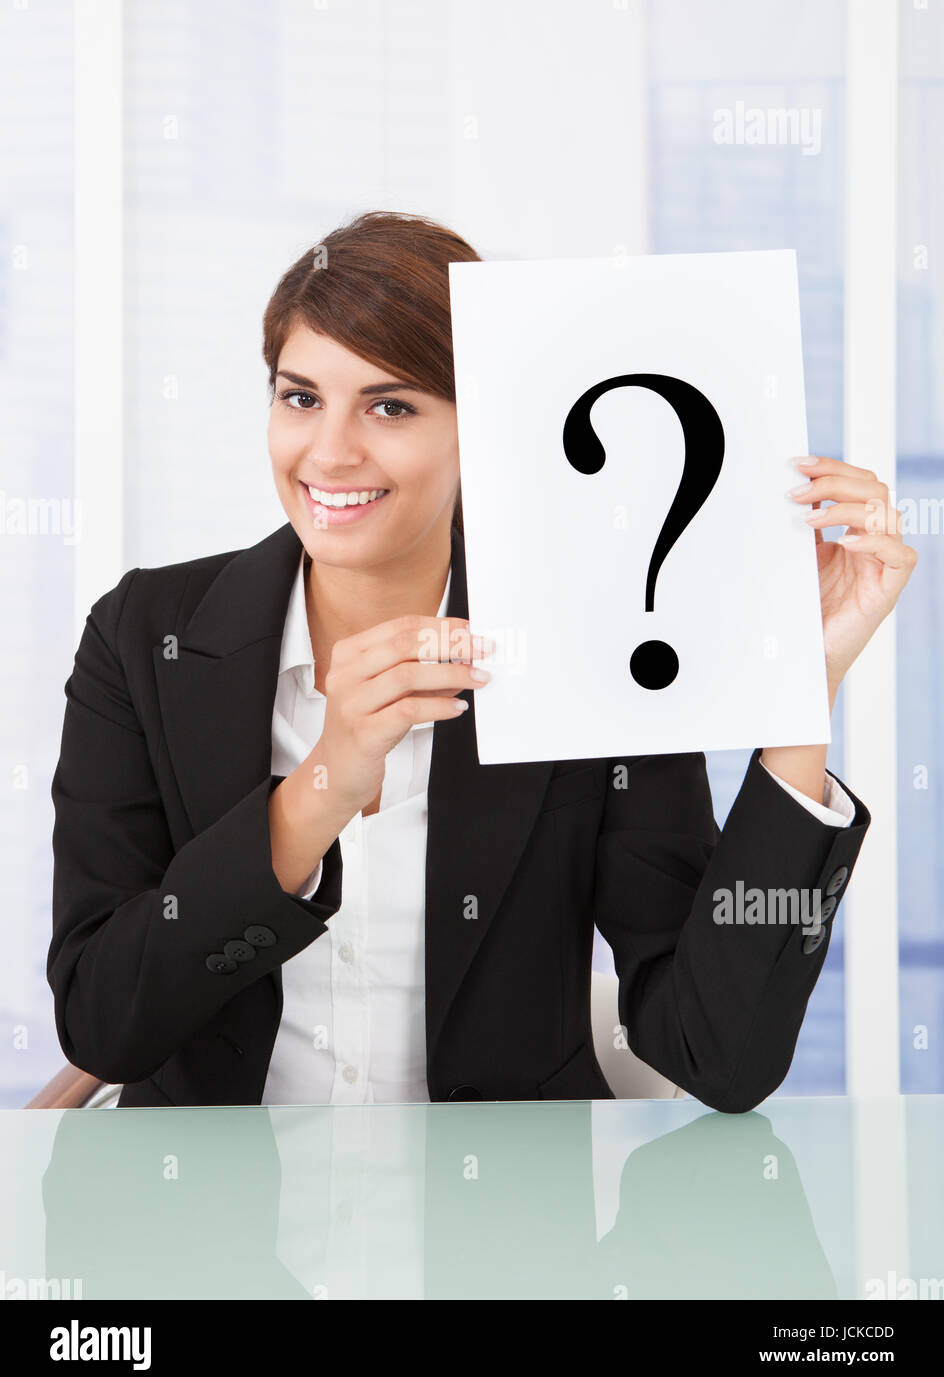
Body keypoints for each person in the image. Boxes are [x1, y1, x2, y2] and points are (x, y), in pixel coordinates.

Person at [47, 210, 916, 1110]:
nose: (329, 451)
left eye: (390, 406)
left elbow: (715, 1053)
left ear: (488, 430)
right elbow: (105, 1024)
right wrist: (321, 789)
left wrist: (798, 695)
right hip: (207, 1229)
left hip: (496, 1234)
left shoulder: (589, 644)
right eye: (300, 396)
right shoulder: (147, 635)